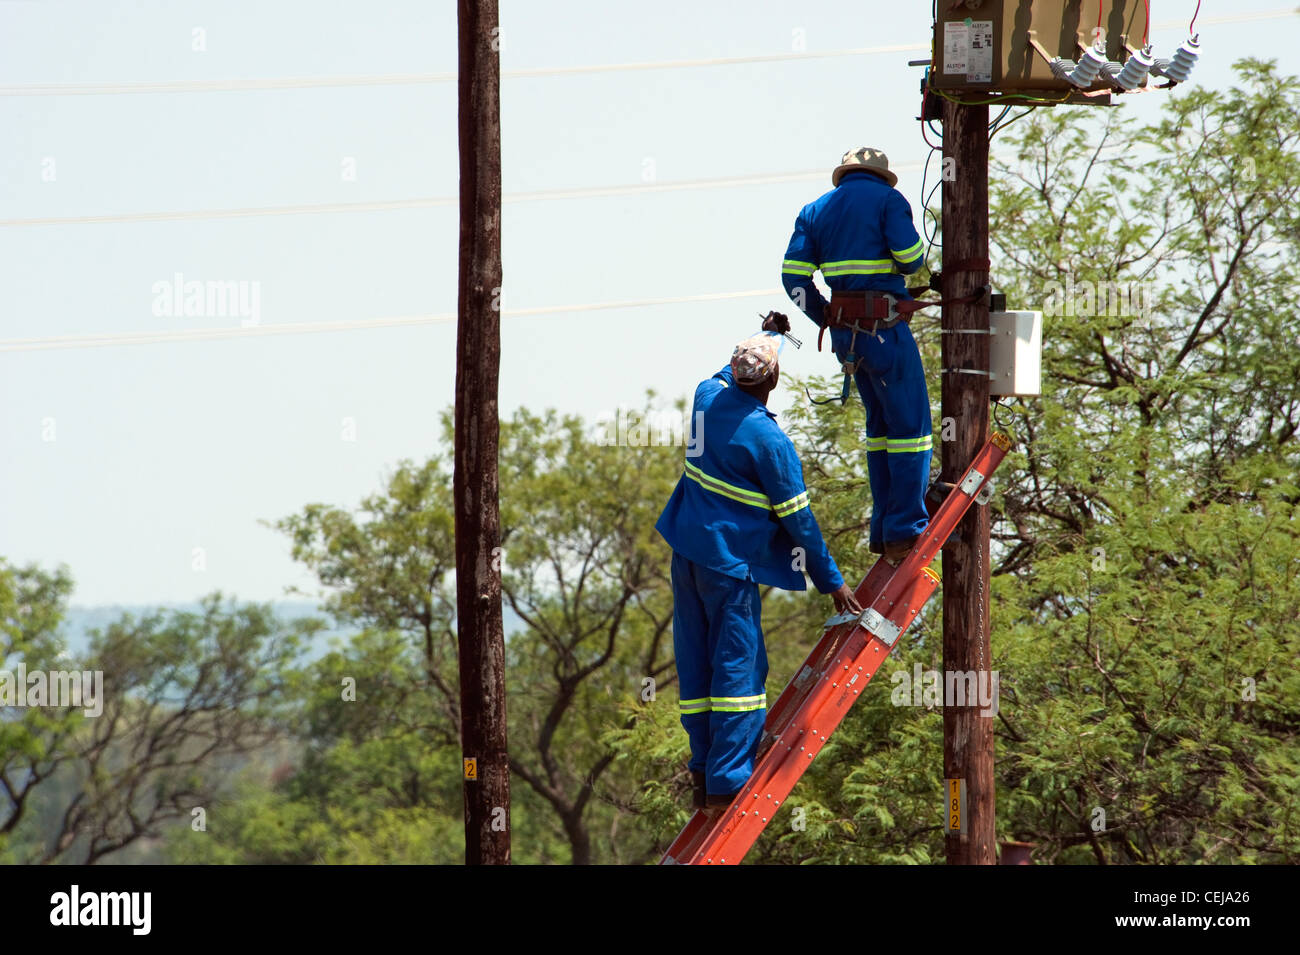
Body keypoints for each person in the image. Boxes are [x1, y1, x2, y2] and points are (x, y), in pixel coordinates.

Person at [656, 328, 862, 814]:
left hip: (685, 556)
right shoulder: (769, 441)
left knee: (695, 662)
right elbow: (801, 523)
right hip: (727, 567)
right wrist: (832, 581)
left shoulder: (707, 401)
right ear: (773, 380)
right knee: (737, 668)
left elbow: (720, 372)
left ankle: (705, 772)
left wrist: (767, 333)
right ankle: (728, 779)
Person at [780, 146, 932, 565]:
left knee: (880, 429)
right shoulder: (888, 200)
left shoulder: (814, 210)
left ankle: (885, 528)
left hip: (847, 339)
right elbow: (912, 261)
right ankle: (904, 529)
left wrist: (823, 315)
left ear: (844, 174)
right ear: (881, 176)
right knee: (911, 430)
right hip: (885, 333)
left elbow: (792, 277)